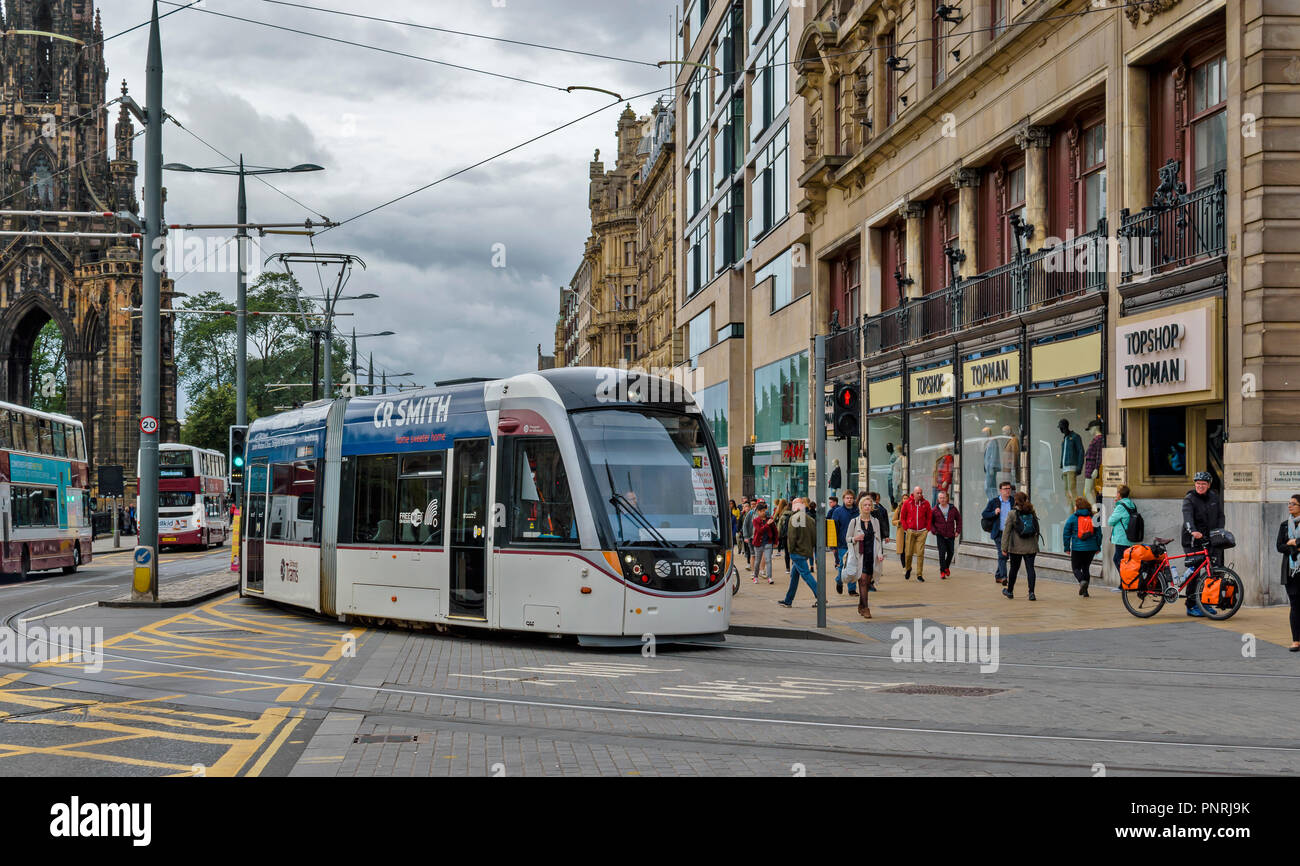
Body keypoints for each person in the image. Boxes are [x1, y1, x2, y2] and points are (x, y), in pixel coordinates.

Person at [1181, 471, 1224, 617]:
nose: (1200, 486)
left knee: (1210, 572)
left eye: (1203, 484)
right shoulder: (1190, 498)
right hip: (1192, 541)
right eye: (1198, 483)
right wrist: (1193, 530)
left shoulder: (1214, 497)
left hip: (1209, 539)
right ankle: (1191, 605)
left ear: (1209, 485)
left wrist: (1219, 531)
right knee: (1194, 572)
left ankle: (1205, 602)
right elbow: (1187, 517)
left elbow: (1220, 516)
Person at [843, 497, 881, 618]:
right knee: (863, 581)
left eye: (869, 505)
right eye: (865, 505)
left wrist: (879, 554)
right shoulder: (854, 521)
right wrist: (855, 538)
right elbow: (847, 538)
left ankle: (860, 606)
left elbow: (878, 540)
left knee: (867, 582)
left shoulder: (875, 522)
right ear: (861, 507)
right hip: (860, 557)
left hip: (871, 556)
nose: (867, 507)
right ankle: (865, 608)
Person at [778, 498, 820, 608]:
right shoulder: (810, 519)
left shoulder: (794, 518)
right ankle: (788, 600)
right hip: (806, 551)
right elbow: (814, 537)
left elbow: (791, 537)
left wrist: (791, 551)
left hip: (797, 552)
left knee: (806, 575)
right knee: (794, 576)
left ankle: (820, 596)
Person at [1001, 491, 1041, 600]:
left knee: (1014, 569)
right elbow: (1037, 528)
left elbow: (1006, 532)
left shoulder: (1012, 513)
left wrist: (1004, 548)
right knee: (1030, 569)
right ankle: (1031, 593)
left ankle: (1009, 591)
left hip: (1016, 548)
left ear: (1016, 500)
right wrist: (1035, 543)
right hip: (1031, 547)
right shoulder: (1031, 512)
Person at [1063, 496, 1101, 597]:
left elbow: (1066, 533)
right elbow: (1099, 533)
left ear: (1077, 507)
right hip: (1091, 548)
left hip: (1078, 548)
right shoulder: (1093, 517)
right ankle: (1085, 592)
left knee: (1076, 568)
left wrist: (1066, 547)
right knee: (1086, 568)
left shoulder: (1072, 518)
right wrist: (1098, 546)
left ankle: (1081, 582)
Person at [1277, 494, 1300, 651]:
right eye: (1289, 503)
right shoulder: (1285, 525)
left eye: (1293, 504)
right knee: (1295, 605)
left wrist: (1293, 542)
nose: (1290, 506)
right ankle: (1296, 641)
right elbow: (1279, 546)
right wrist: (1295, 546)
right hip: (1291, 571)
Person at [981, 481, 1015, 585]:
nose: (1007, 491)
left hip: (1010, 533)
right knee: (1002, 555)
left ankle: (998, 575)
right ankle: (1004, 577)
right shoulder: (994, 502)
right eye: (1005, 489)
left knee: (1006, 555)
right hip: (999, 533)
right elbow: (984, 514)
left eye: (1009, 488)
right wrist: (994, 513)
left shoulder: (1013, 501)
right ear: (1000, 490)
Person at [898, 486, 931, 582]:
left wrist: (927, 529)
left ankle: (919, 574)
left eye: (921, 493)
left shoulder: (926, 503)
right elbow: (902, 517)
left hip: (922, 531)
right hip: (911, 531)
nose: (920, 495)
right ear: (914, 493)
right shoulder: (907, 503)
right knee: (908, 553)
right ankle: (908, 568)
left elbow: (929, 517)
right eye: (918, 493)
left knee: (920, 553)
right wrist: (906, 528)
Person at [1108, 484, 1138, 580]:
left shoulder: (1121, 506)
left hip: (1121, 538)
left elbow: (1110, 521)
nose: (1116, 494)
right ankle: (1127, 582)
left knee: (1118, 560)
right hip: (1128, 536)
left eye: (1117, 492)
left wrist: (1116, 505)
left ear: (1120, 494)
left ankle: (1125, 583)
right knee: (1124, 560)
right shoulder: (1131, 504)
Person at [830, 490, 858, 595]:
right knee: (843, 564)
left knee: (853, 565)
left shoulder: (857, 511)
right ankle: (839, 580)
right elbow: (834, 529)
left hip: (855, 542)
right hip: (842, 543)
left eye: (851, 498)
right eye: (847, 498)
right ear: (843, 499)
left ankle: (852, 589)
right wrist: (833, 545)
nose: (849, 500)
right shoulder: (838, 512)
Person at [930, 490, 961, 579]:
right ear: (938, 499)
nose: (942, 499)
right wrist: (934, 531)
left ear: (947, 498)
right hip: (940, 535)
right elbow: (930, 523)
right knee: (942, 553)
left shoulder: (952, 508)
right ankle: (942, 571)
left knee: (951, 553)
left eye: (944, 498)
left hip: (951, 534)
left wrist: (957, 531)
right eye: (940, 498)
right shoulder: (934, 510)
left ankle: (946, 567)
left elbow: (959, 520)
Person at [1059, 419, 1084, 511]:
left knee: (1072, 489)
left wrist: (1079, 466)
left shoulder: (1075, 437)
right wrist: (1062, 464)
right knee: (1066, 490)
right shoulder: (1065, 438)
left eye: (1061, 427)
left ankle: (1078, 510)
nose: (1060, 430)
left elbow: (1081, 451)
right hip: (1065, 468)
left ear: (1065, 426)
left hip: (1072, 467)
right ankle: (1071, 512)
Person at [868, 491, 890, 590]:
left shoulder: (880, 510)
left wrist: (886, 535)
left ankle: (871, 581)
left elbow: (883, 523)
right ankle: (868, 581)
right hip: (866, 539)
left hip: (877, 537)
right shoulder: (861, 510)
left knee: (876, 558)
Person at [751, 502, 777, 584]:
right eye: (761, 511)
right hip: (758, 543)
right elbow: (759, 530)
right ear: (758, 512)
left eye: (764, 510)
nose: (763, 512)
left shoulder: (770, 519)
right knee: (757, 561)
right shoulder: (755, 520)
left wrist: (776, 541)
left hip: (768, 543)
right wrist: (767, 524)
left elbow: (775, 531)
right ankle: (755, 576)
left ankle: (770, 577)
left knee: (768, 560)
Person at [1083, 420, 1104, 505]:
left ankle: (1095, 511)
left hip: (1092, 467)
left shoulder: (1099, 439)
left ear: (1095, 428)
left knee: (1087, 491)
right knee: (1090, 490)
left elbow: (1099, 454)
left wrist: (1096, 468)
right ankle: (1096, 511)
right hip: (1090, 467)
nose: (1090, 431)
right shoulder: (1096, 439)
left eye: (1090, 429)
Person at [773, 498, 791, 575]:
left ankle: (787, 568)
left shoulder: (780, 512)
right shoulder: (792, 513)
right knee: (792, 551)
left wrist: (778, 536)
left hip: (783, 534)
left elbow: (774, 519)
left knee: (786, 552)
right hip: (791, 534)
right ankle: (794, 567)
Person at [982, 427, 999, 501]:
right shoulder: (988, 441)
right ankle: (991, 501)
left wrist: (992, 467)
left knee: (990, 487)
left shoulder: (993, 441)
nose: (983, 435)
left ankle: (993, 501)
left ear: (988, 433)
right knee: (988, 487)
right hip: (988, 468)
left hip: (990, 468)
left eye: (984, 433)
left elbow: (994, 455)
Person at [741, 499, 758, 569]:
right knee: (751, 553)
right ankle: (751, 567)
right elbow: (744, 525)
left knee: (758, 554)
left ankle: (758, 569)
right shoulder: (750, 513)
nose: (753, 505)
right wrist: (745, 536)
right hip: (750, 536)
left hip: (757, 537)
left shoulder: (759, 513)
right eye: (752, 504)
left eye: (754, 504)